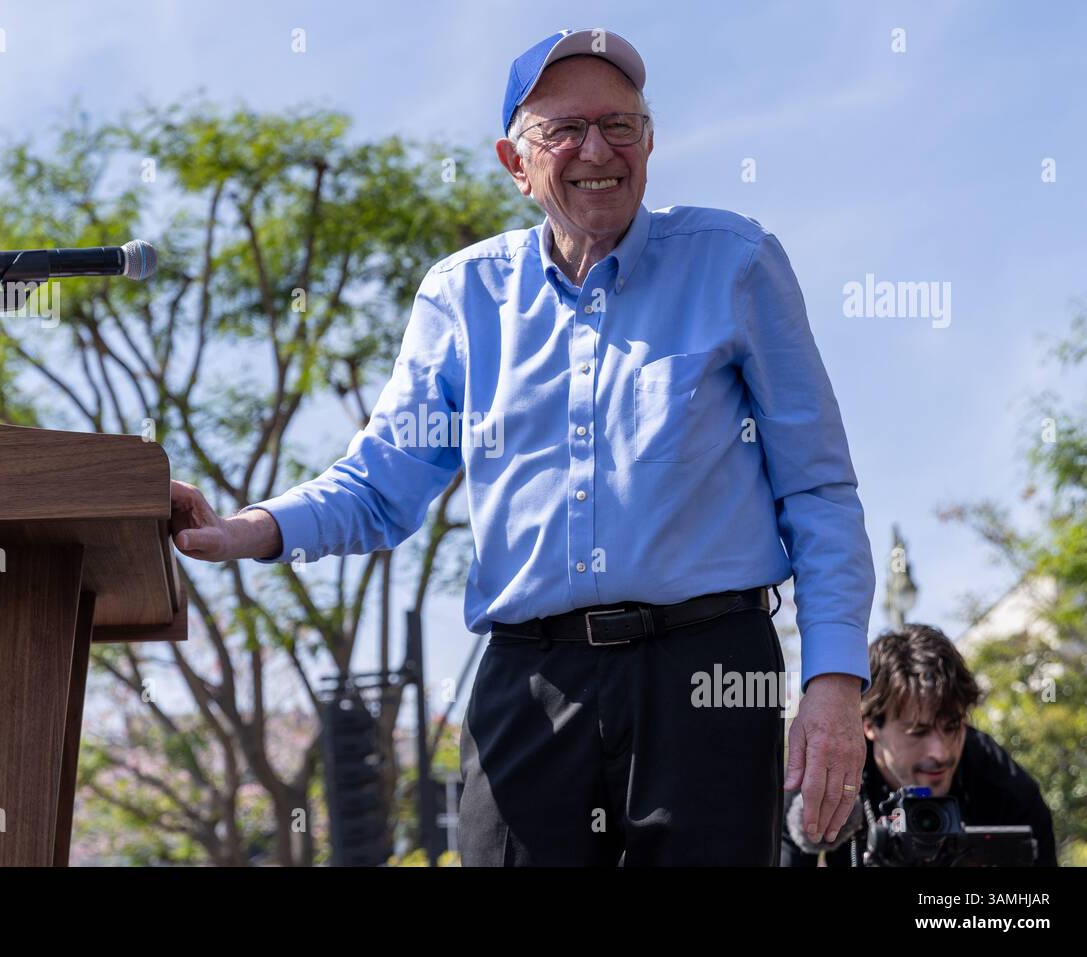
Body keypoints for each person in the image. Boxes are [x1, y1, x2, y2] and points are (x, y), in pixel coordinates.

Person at [170, 27, 875, 865]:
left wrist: (834, 681)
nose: (595, 149)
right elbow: (378, 484)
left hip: (706, 673)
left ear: (649, 141)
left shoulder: (737, 262)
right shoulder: (461, 295)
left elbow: (819, 492)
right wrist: (244, 528)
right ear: (516, 161)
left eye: (620, 125)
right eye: (563, 130)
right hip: (529, 681)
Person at [781, 623, 1058, 866]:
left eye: (952, 727)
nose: (941, 753)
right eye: (918, 731)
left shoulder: (1005, 785)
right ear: (868, 725)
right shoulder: (825, 779)